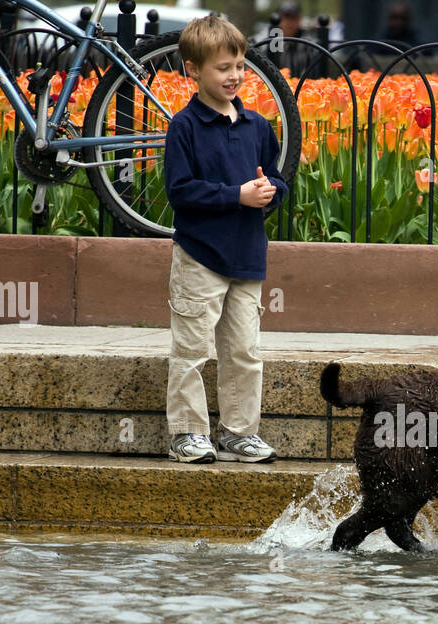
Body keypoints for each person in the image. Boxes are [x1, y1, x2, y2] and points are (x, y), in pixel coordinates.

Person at [163, 15, 288, 464]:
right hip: (199, 256)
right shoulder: (185, 127)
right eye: (223, 68)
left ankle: (239, 432)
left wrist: (271, 191)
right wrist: (237, 195)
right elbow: (180, 191)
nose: (234, 75)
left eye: (239, 65)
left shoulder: (257, 126)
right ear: (193, 70)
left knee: (244, 352)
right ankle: (187, 432)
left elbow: (277, 178)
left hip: (247, 257)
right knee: (192, 349)